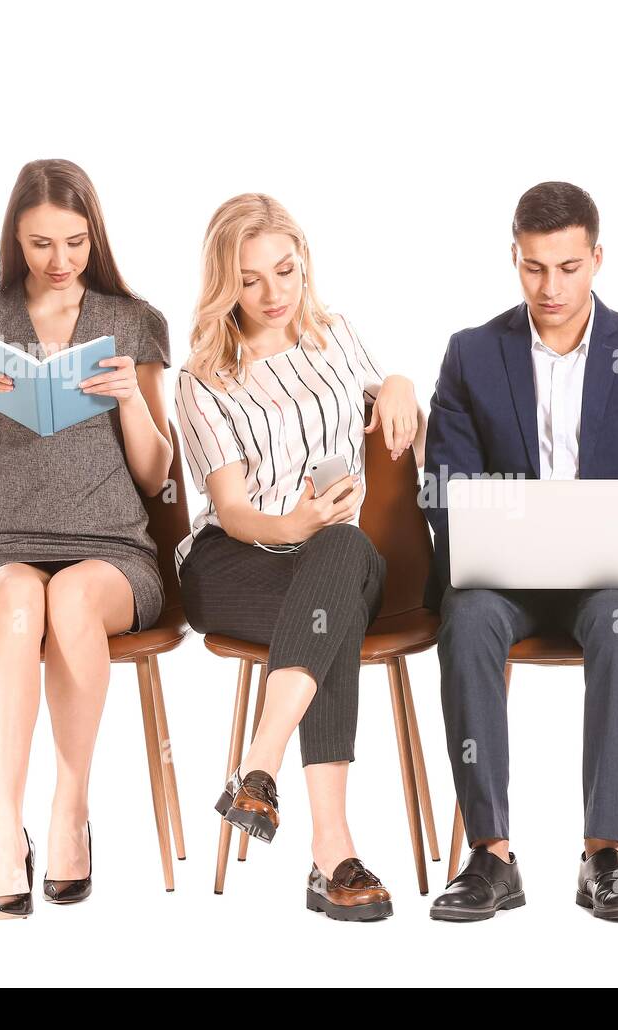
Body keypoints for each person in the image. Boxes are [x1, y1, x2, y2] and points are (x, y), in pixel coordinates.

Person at [422, 181, 618, 923]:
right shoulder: (473, 354)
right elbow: (443, 485)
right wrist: (485, 538)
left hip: (607, 570)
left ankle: (605, 853)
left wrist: (613, 540)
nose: (552, 286)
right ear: (515, 259)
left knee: (616, 620)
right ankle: (491, 856)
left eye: (569, 267)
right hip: (503, 576)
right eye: (535, 267)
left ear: (596, 259)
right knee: (468, 616)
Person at [175, 193, 422, 922]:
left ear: (303, 264)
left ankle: (259, 767)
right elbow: (232, 510)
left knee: (340, 555)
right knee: (331, 606)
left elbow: (385, 389)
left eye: (286, 271)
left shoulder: (335, 337)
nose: (274, 294)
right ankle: (332, 856)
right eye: (251, 280)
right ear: (226, 284)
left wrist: (402, 382)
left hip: (336, 555)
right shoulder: (202, 380)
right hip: (238, 562)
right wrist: (292, 523)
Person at [0, 159, 174, 918]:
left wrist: (128, 400)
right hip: (8, 540)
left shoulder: (132, 321)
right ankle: (5, 832)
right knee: (18, 606)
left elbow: (154, 474)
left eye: (75, 241)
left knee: (70, 599)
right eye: (42, 243)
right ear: (16, 237)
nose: (61, 260)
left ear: (93, 236)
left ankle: (68, 811)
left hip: (112, 549)